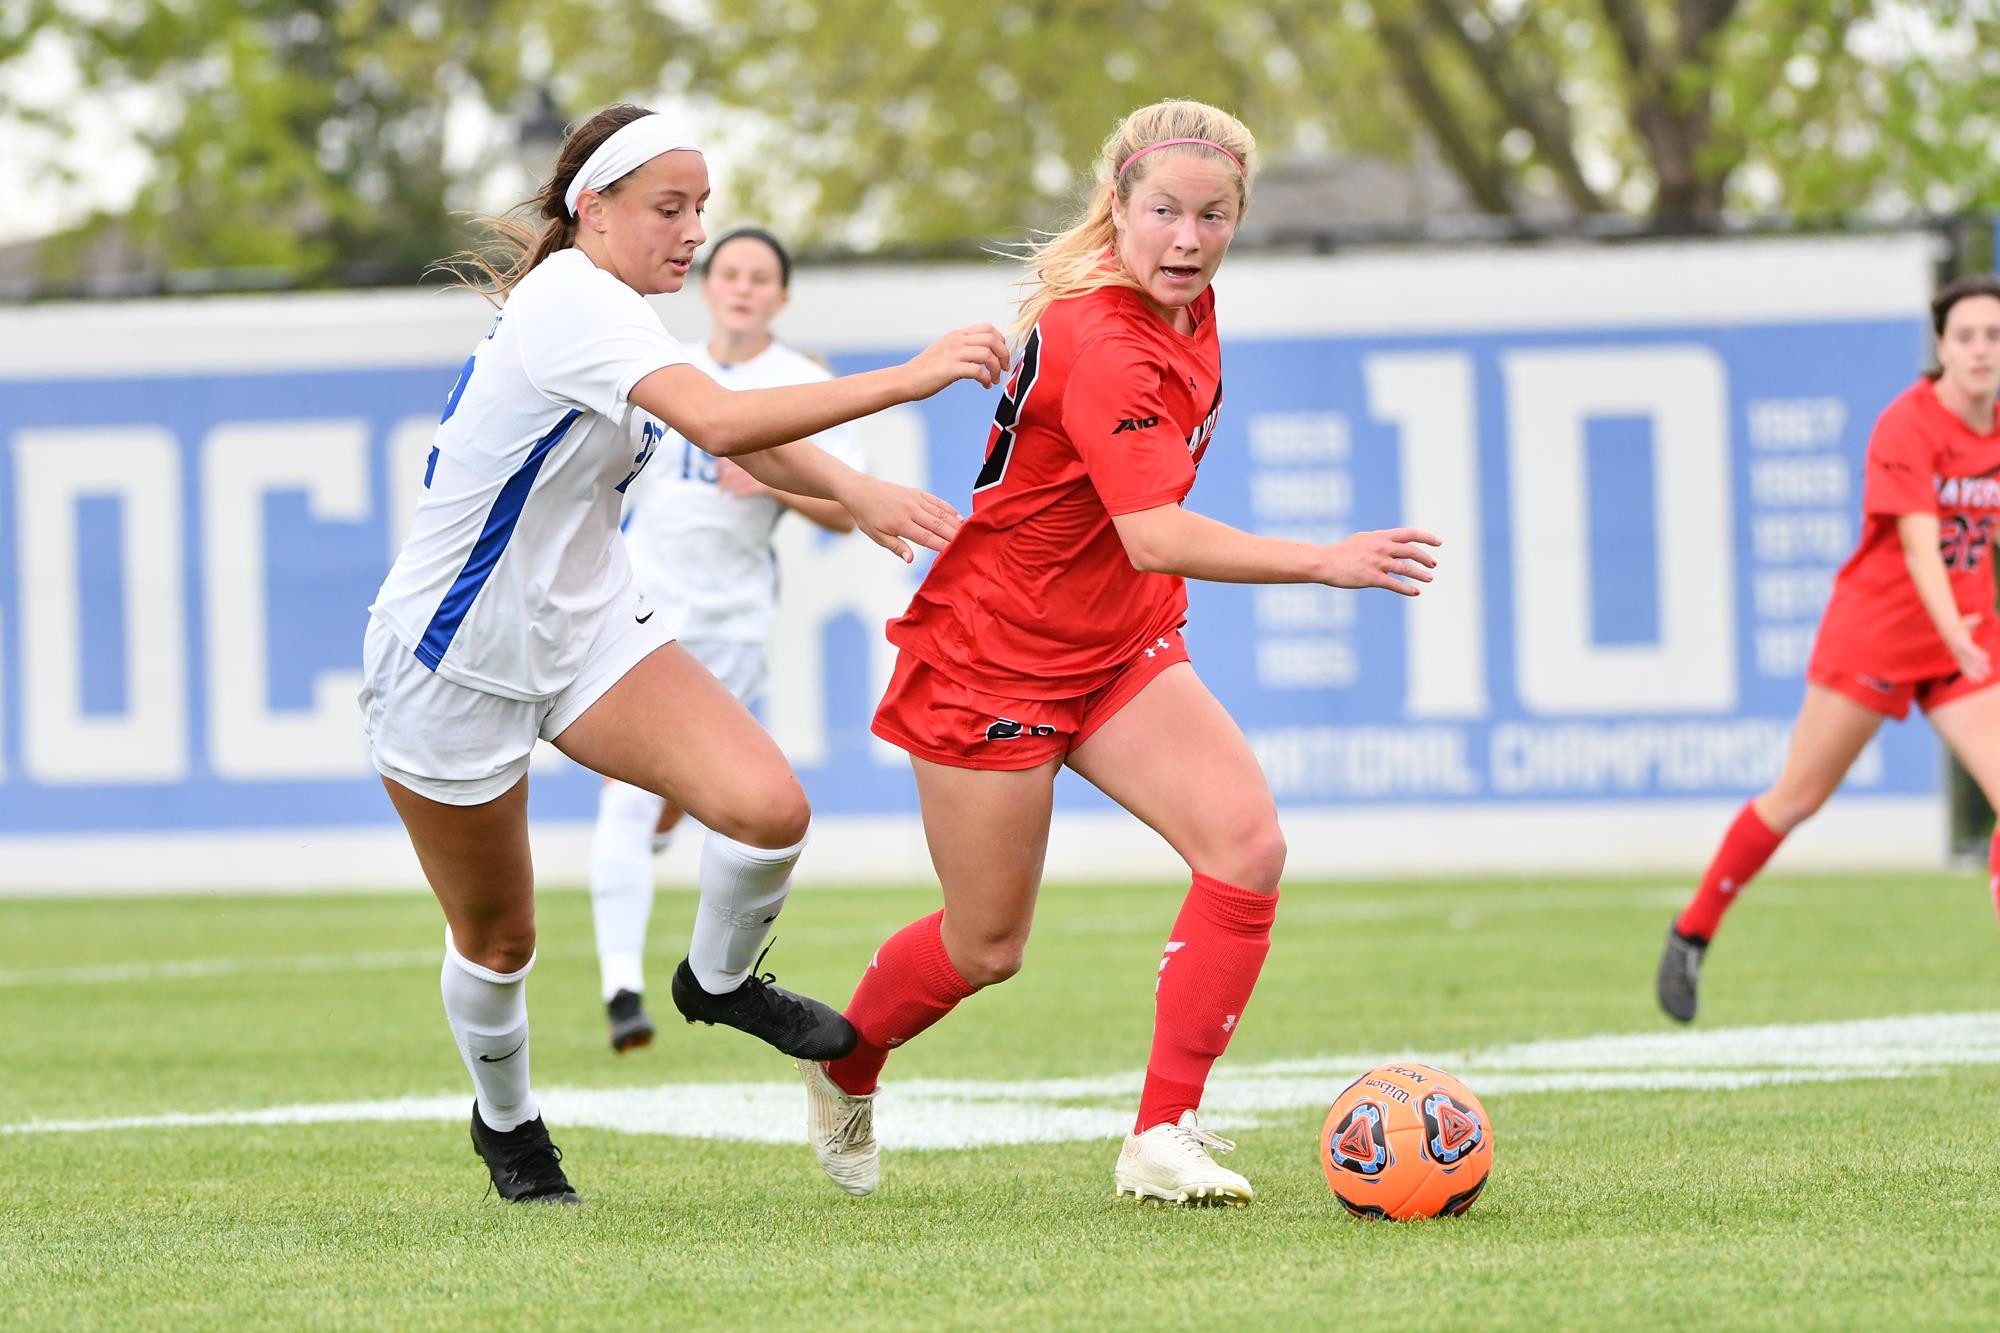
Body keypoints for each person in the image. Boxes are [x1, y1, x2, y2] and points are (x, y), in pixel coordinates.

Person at [791, 98, 1442, 1206]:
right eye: (1162, 213)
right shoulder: (1099, 337)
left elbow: (1132, 548)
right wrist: (1319, 561)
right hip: (990, 657)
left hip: (1118, 642)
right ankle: (843, 1057)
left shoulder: (1193, 309)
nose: (1187, 239)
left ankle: (1161, 1133)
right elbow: (1151, 530)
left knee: (1244, 844)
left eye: (1213, 215)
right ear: (1116, 208)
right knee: (984, 946)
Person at [361, 103, 1008, 1204]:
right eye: (669, 207)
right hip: (451, 652)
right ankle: (508, 1124)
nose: (692, 230)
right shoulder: (571, 299)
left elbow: (735, 422)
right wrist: (910, 377)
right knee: (498, 934)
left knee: (768, 809)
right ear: (591, 208)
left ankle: (714, 980)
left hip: (586, 629)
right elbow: (716, 422)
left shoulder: (612, 304)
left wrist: (848, 486)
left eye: (700, 207)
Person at [1656, 273, 2000, 1023]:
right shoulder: (1906, 424)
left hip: (1964, 644)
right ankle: (1693, 931)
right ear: (1940, 347)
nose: (1981, 350)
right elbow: (1918, 547)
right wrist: (1953, 633)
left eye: (1994, 335)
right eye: (1967, 335)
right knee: (1798, 797)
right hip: (1881, 632)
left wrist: (1964, 638)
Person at [589, 226, 870, 1054]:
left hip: (737, 620)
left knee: (685, 797)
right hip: (639, 607)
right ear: (709, 287)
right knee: (626, 798)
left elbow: (846, 507)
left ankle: (667, 833)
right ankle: (622, 991)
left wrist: (775, 472)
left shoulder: (801, 382)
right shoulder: (666, 367)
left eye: (762, 278)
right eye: (731, 273)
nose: (743, 288)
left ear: (781, 297)